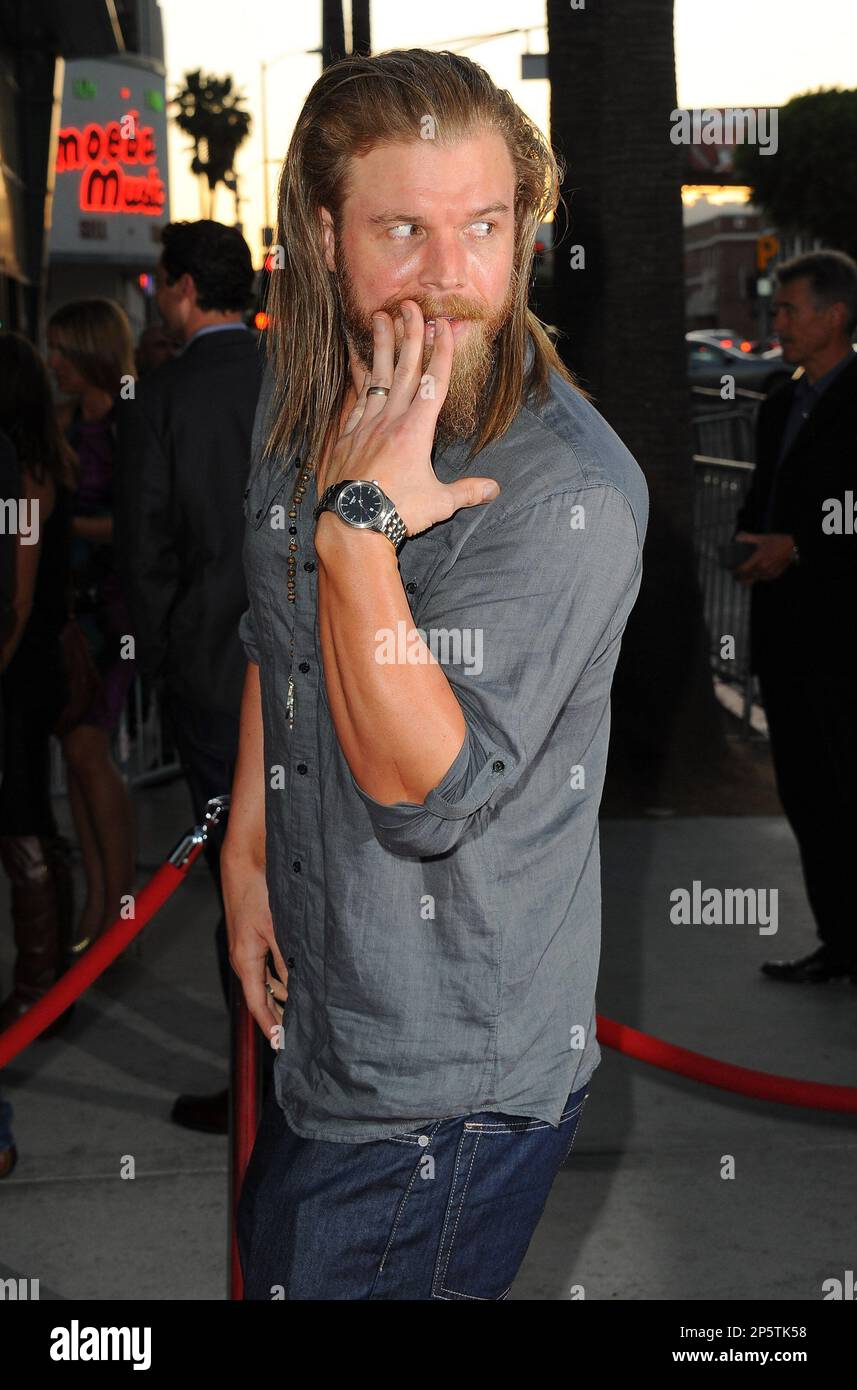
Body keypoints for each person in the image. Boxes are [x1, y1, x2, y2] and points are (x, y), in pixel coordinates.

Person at [225, 49, 648, 1301]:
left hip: (441, 1084)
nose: (450, 279)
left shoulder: (566, 494)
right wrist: (246, 860)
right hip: (320, 1011)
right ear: (321, 233)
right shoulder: (305, 385)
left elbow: (425, 791)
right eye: (403, 228)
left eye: (483, 226)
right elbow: (273, 636)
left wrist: (359, 533)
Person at [114, 221, 265, 1135]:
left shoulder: (163, 398)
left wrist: (159, 657)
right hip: (320, 679)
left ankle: (257, 1081)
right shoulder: (302, 380)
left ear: (179, 289)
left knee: (239, 881)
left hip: (212, 680)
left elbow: (146, 551)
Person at [732, 250, 857, 983]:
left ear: (833, 315)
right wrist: (746, 544)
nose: (775, 322)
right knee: (807, 795)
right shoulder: (780, 400)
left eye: (788, 310)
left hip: (843, 638)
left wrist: (802, 547)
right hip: (781, 634)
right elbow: (762, 498)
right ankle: (839, 945)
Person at [46, 299, 136, 955]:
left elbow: (136, 522)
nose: (52, 363)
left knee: (86, 753)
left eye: (62, 351)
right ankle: (99, 905)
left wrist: (62, 526)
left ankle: (118, 909)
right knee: (76, 756)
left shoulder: (131, 422)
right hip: (70, 610)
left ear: (90, 353)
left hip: (115, 610)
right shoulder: (63, 422)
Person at [0, 335, 75, 1036]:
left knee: (21, 818)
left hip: (20, 671)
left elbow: (16, 597)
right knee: (30, 819)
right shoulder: (38, 459)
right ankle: (49, 977)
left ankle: (38, 985)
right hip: (31, 664)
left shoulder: (24, 473)